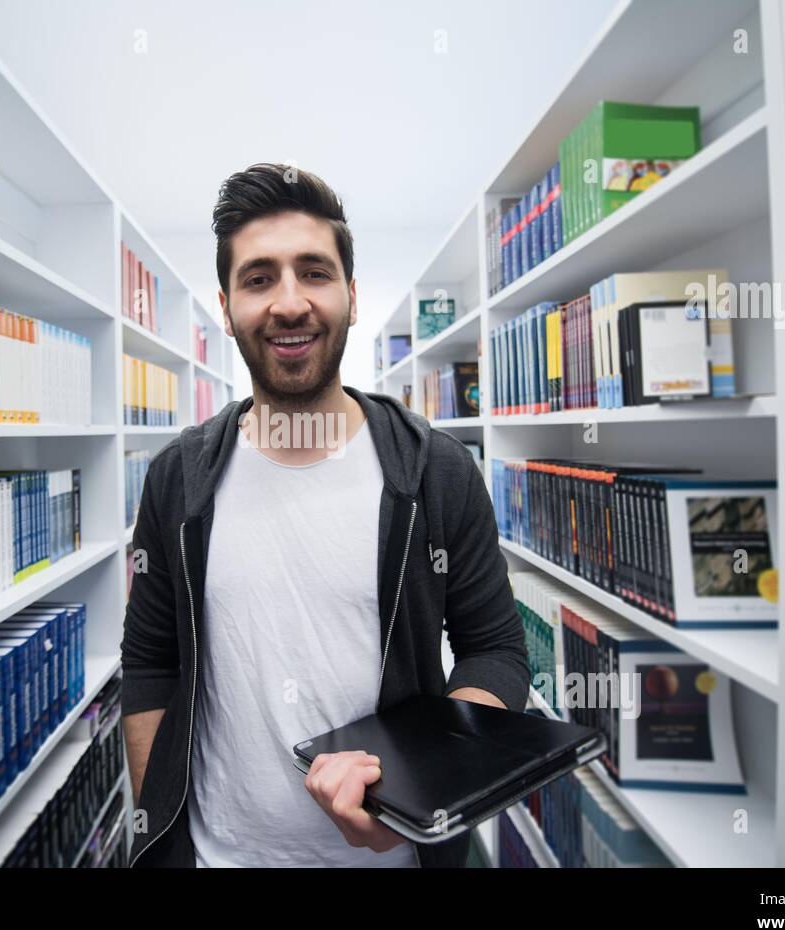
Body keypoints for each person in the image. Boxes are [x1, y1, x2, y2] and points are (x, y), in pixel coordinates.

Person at [120, 163, 530, 867]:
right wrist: (157, 830)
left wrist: (422, 786)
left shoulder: (437, 473)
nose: (288, 303)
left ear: (351, 295)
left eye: (314, 272)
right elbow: (151, 663)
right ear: (225, 306)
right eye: (259, 278)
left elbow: (495, 651)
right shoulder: (176, 481)